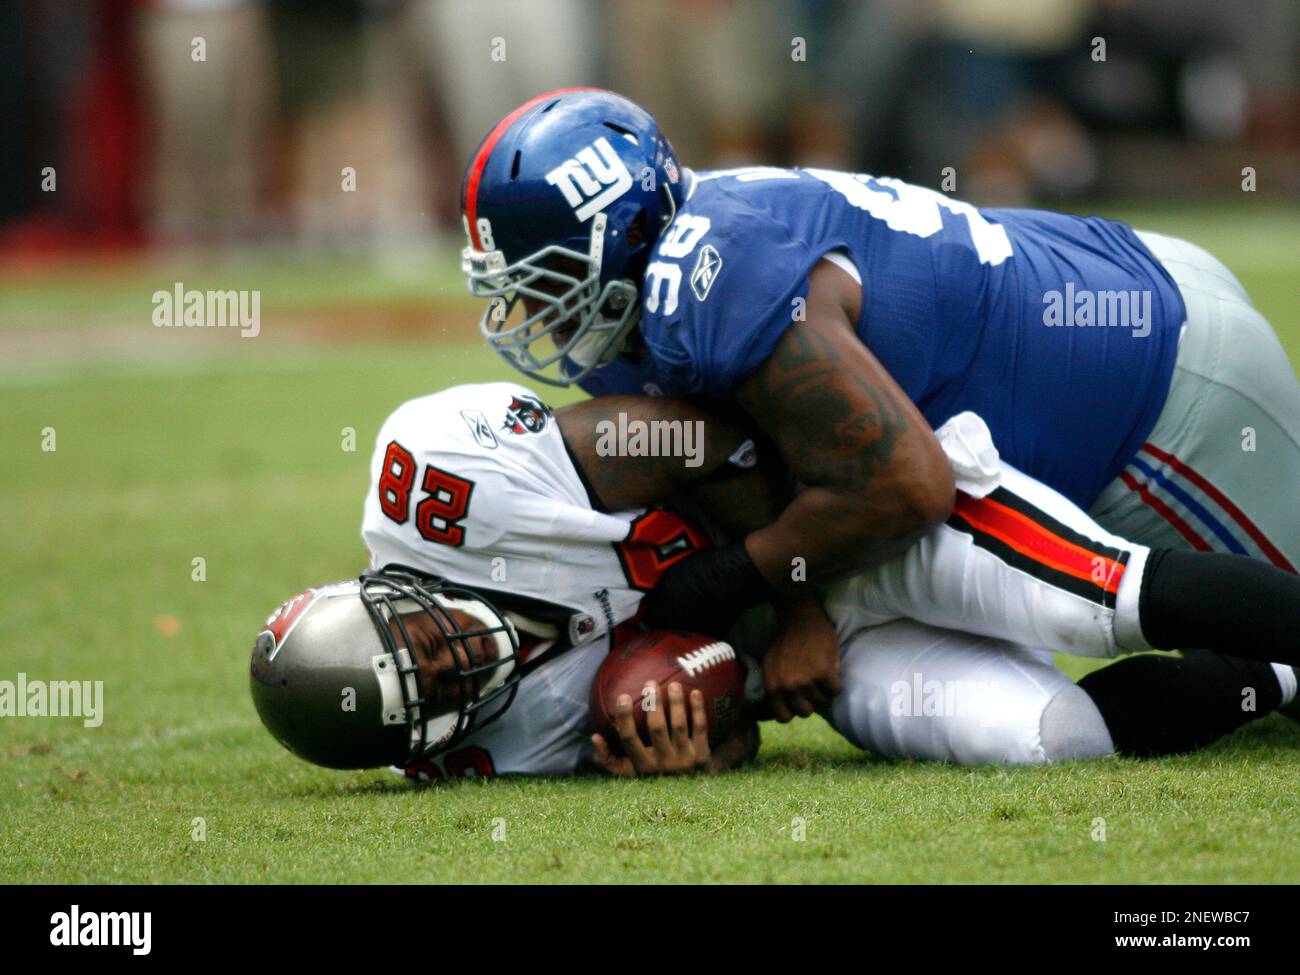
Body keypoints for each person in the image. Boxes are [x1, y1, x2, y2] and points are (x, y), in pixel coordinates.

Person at [459, 88, 1300, 717]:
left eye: (550, 280)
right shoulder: (664, 280)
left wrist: (730, 580)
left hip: (1153, 388)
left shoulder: (714, 279)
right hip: (1089, 288)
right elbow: (736, 449)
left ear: (629, 234)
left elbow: (905, 485)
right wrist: (790, 607)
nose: (530, 314)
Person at [248, 383, 1300, 779]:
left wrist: (793, 603)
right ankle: (1280, 682)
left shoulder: (445, 476)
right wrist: (700, 749)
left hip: (850, 526)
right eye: (435, 693)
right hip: (830, 662)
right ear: (423, 742)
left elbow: (714, 437)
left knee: (1101, 599)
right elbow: (743, 719)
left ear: (385, 591)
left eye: (425, 645)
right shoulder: (499, 750)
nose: (459, 663)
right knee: (1043, 741)